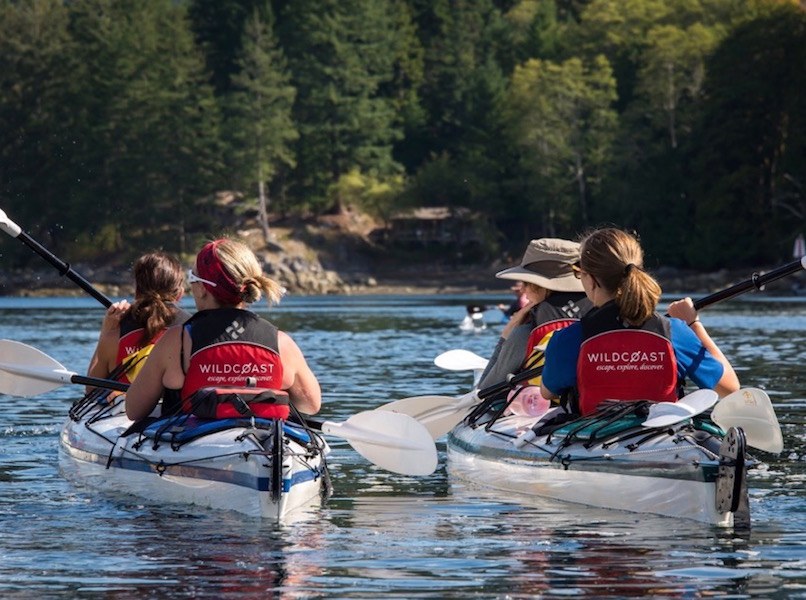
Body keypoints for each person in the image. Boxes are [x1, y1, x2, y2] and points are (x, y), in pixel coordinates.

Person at [540, 227, 740, 416]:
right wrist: (693, 324)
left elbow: (547, 393)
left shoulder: (568, 338)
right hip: (663, 437)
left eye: (579, 273)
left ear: (591, 279)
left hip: (591, 439)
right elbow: (730, 389)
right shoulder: (674, 331)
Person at [125, 238, 321, 422]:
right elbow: (311, 405)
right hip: (263, 447)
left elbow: (134, 410)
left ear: (203, 288)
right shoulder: (280, 342)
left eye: (192, 278)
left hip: (192, 450)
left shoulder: (177, 341)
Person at [477, 238, 593, 392]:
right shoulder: (603, 318)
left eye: (525, 282)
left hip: (542, 408)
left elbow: (485, 389)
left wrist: (505, 337)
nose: (522, 290)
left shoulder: (525, 332)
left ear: (540, 286)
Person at [87, 252, 190, 385]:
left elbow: (91, 387)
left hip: (124, 403)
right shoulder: (192, 327)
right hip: (173, 404)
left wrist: (107, 330)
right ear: (180, 293)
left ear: (136, 289)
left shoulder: (116, 329)